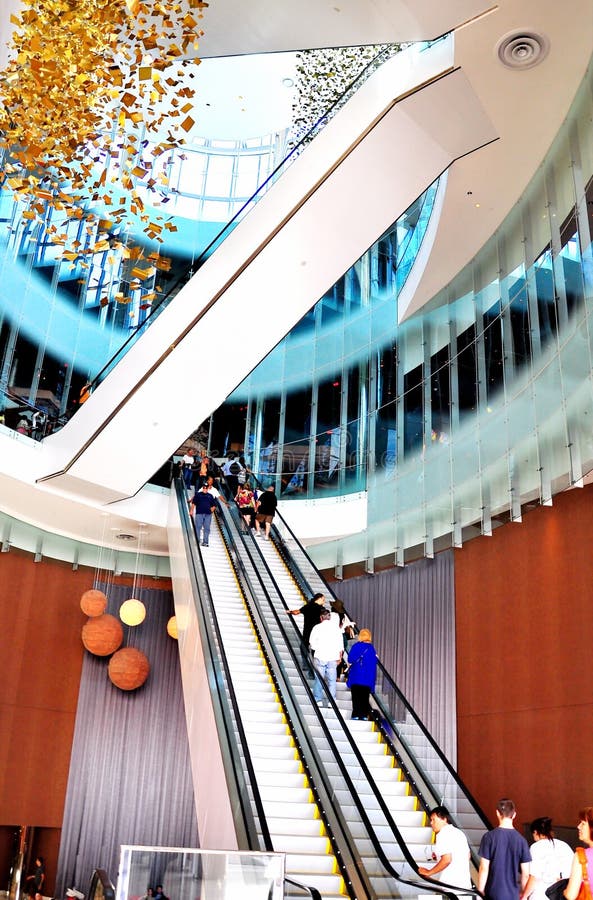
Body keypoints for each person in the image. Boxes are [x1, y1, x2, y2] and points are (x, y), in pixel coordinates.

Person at [478, 798, 531, 900]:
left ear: (497, 813)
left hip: (492, 893)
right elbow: (525, 874)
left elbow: (484, 868)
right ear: (514, 814)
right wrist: (524, 894)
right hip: (513, 895)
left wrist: (480, 890)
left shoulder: (489, 837)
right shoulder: (521, 840)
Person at [418, 805, 472, 888]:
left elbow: (447, 859)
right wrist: (439, 857)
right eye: (430, 820)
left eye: (433, 820)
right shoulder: (459, 832)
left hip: (449, 884)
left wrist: (429, 872)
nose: (431, 823)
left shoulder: (442, 834)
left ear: (444, 819)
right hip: (464, 884)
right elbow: (467, 856)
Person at [525, 817, 573, 900]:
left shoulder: (536, 847)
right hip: (561, 896)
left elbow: (534, 877)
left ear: (535, 832)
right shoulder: (564, 846)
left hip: (540, 895)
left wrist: (524, 896)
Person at [309, 610, 343, 706]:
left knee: (319, 678)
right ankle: (331, 702)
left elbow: (312, 642)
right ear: (329, 617)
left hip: (320, 655)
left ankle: (318, 700)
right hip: (333, 657)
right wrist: (339, 656)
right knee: (332, 680)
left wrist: (316, 648)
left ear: (321, 618)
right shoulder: (336, 629)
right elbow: (340, 644)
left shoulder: (317, 627)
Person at [287, 593, 327, 671]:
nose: (324, 601)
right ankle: (315, 668)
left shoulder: (308, 606)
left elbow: (297, 612)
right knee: (314, 651)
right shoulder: (322, 610)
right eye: (323, 599)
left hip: (307, 632)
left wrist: (290, 612)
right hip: (317, 634)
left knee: (303, 648)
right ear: (319, 599)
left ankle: (305, 665)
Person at [346, 628, 378, 720]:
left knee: (356, 697)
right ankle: (363, 715)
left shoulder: (356, 646)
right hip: (368, 678)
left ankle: (355, 714)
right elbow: (374, 661)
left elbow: (350, 659)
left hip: (356, 676)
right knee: (365, 697)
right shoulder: (371, 649)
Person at [563, 807, 593, 900]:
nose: (578, 826)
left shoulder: (582, 856)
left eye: (583, 823)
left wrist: (564, 890)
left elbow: (570, 895)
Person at [190, 482, 217, 547]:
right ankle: (197, 541)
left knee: (207, 528)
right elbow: (193, 503)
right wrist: (191, 511)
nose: (205, 489)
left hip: (208, 514)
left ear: (208, 489)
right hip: (199, 513)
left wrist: (211, 510)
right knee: (198, 527)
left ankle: (205, 542)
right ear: (202, 488)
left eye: (206, 488)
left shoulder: (210, 496)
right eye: (204, 488)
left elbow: (214, 505)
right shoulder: (198, 495)